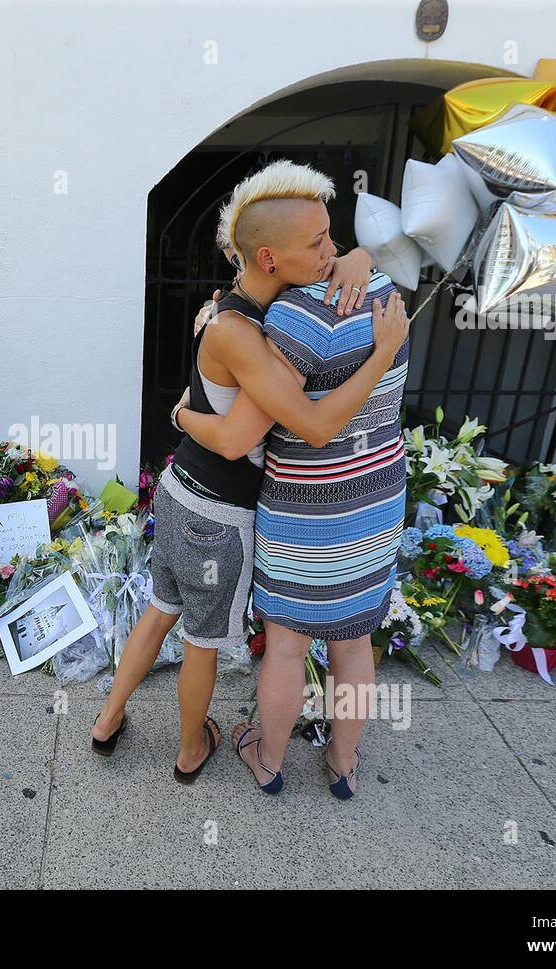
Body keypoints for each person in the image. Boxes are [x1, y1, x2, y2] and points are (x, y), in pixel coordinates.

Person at [90, 159, 409, 784]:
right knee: (202, 641)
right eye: (318, 242)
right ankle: (189, 751)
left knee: (158, 613)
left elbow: (337, 263)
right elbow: (282, 433)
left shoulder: (240, 309)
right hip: (216, 507)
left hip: (185, 492)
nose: (331, 251)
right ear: (268, 258)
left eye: (331, 236)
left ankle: (107, 720)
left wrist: (360, 257)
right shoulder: (245, 332)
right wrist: (383, 354)